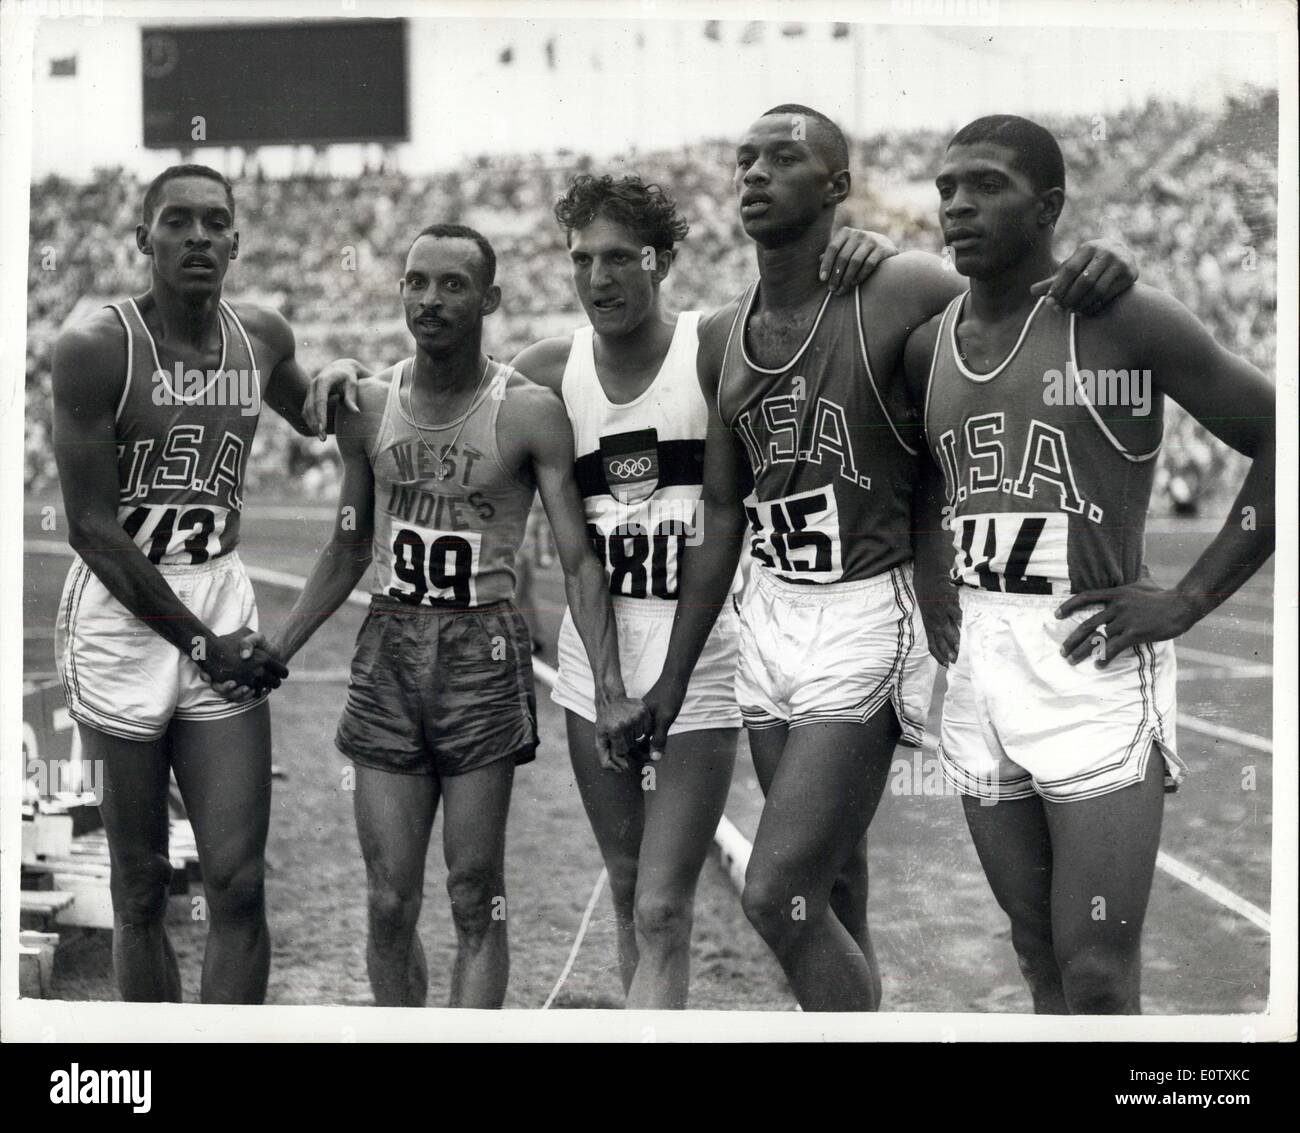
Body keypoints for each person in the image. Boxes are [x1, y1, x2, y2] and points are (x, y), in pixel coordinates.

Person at [641, 104, 1138, 1011]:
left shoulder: (901, 285)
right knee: (830, 887)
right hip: (771, 614)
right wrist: (675, 681)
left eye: (782, 160)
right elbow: (722, 512)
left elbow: (1020, 306)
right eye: (743, 158)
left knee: (774, 895)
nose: (753, 174)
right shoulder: (717, 335)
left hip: (871, 609)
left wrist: (1104, 267)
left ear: (836, 190)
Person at [903, 114, 1274, 1014]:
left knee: (1099, 973)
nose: (958, 204)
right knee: (1037, 953)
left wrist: (1188, 599)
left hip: (1091, 662)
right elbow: (919, 478)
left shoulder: (1119, 320)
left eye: (987, 184)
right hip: (983, 668)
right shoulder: (924, 347)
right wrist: (931, 576)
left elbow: (1281, 435)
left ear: (1051, 205)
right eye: (947, 186)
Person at [510, 173, 896, 1007]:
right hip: (595, 667)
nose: (600, 278)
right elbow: (450, 385)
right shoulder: (546, 371)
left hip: (707, 658)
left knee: (663, 902)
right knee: (626, 888)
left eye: (620, 258)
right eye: (582, 259)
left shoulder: (715, 347)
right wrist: (357, 372)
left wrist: (877, 254)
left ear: (662, 261)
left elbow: (828, 326)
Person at [261, 224, 648, 1008]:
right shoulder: (365, 407)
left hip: (484, 652)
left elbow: (578, 561)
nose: (429, 299)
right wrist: (280, 647)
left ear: (490, 299)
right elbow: (347, 546)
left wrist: (608, 688)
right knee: (388, 900)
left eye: (451, 284)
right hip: (389, 649)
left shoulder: (529, 412)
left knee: (475, 892)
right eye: (416, 282)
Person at [50, 164, 356, 1003]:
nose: (196, 237)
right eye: (175, 222)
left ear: (236, 241)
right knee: (142, 882)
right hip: (123, 616)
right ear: (140, 238)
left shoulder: (259, 337)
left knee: (237, 882)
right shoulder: (94, 348)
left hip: (216, 590)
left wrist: (342, 373)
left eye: (213, 222)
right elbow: (92, 530)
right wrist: (200, 642)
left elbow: (319, 414)